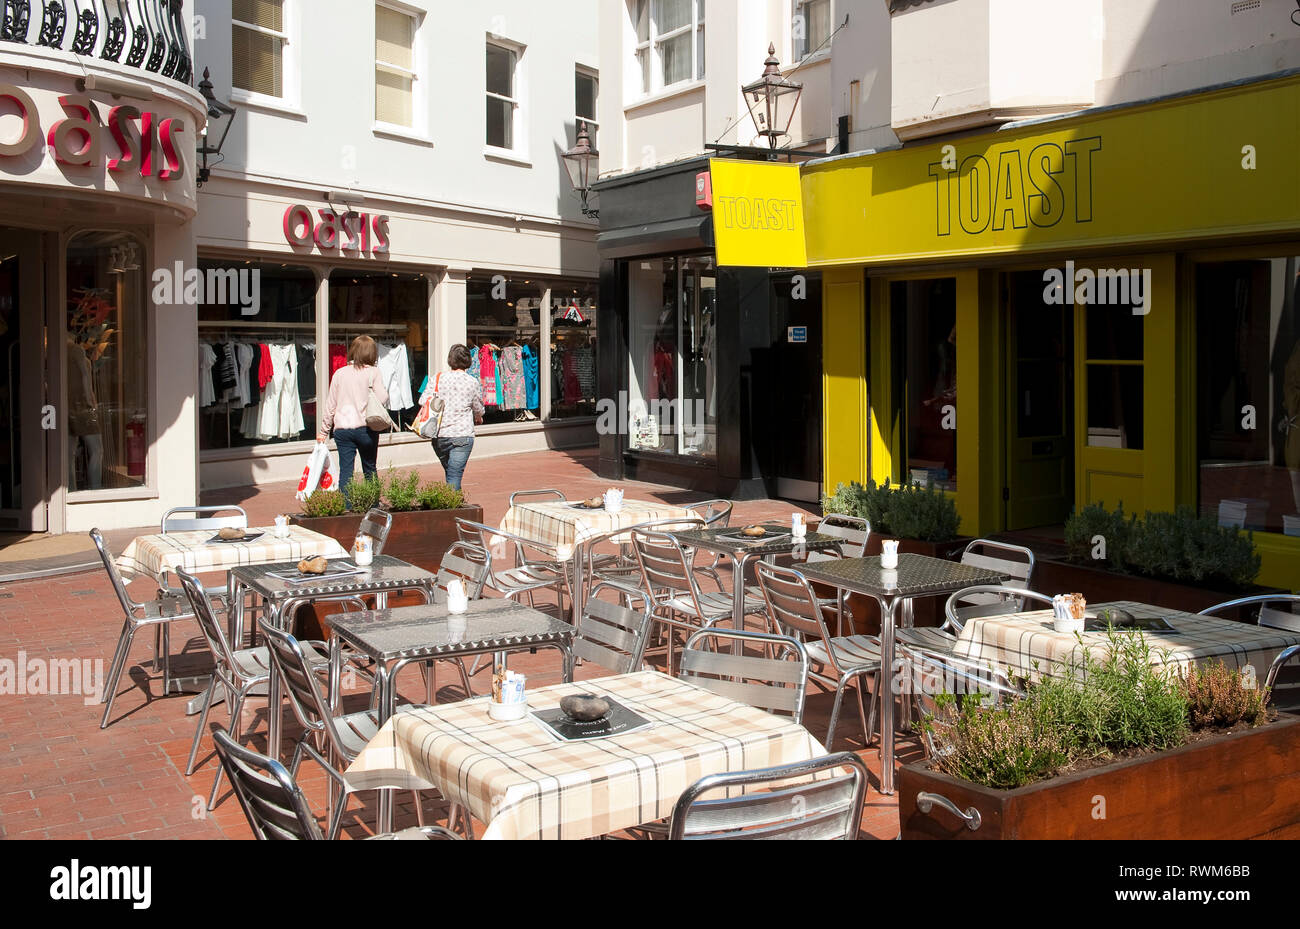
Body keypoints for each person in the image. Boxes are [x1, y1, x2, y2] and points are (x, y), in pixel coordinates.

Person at [318, 335, 387, 505]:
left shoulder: (340, 373)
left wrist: (323, 431)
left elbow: (330, 405)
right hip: (366, 428)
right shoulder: (373, 372)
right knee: (370, 468)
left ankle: (347, 507)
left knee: (346, 471)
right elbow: (383, 398)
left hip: (343, 429)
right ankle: (373, 505)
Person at [427, 344, 483, 490]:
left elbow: (423, 401)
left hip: (440, 434)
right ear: (468, 361)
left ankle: (451, 505)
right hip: (462, 434)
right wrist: (478, 417)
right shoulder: (472, 382)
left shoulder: (437, 379)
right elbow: (478, 408)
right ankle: (453, 509)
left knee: (451, 474)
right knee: (454, 476)